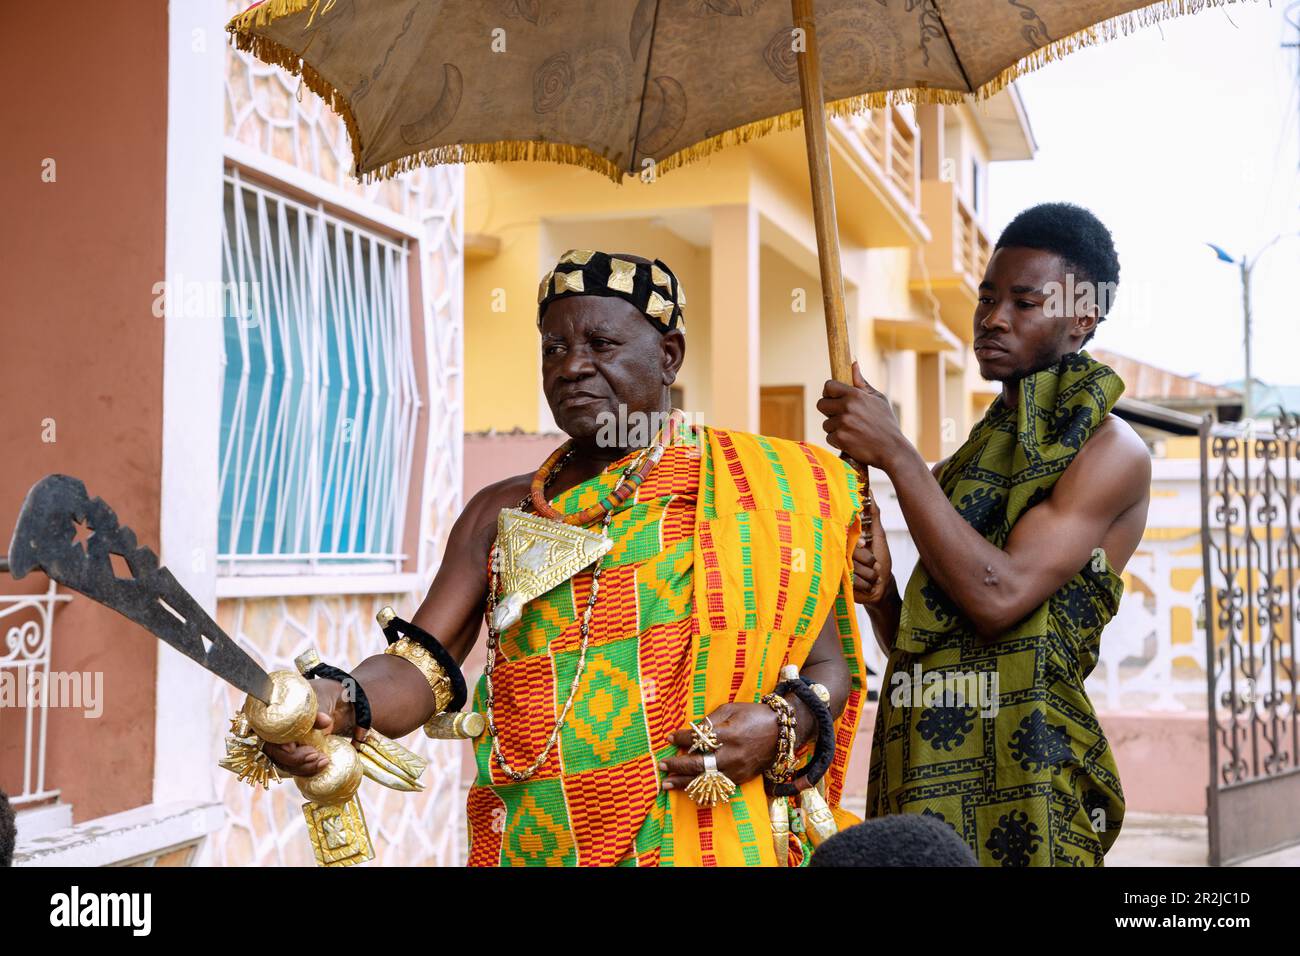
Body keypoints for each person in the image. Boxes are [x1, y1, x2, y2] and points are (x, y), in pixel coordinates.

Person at [266, 249, 870, 866]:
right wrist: (336, 701)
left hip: (704, 837)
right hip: (535, 842)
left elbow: (828, 666)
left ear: (669, 356)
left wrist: (779, 723)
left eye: (602, 343)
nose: (573, 367)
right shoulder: (499, 512)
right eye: (553, 348)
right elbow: (422, 666)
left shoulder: (759, 490)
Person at [820, 203, 1151, 866]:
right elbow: (921, 647)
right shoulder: (961, 467)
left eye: (1024, 302)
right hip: (921, 767)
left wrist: (897, 454)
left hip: (1027, 781)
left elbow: (998, 597)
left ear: (1081, 318)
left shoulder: (1112, 453)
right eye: (988, 297)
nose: (994, 319)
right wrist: (883, 594)